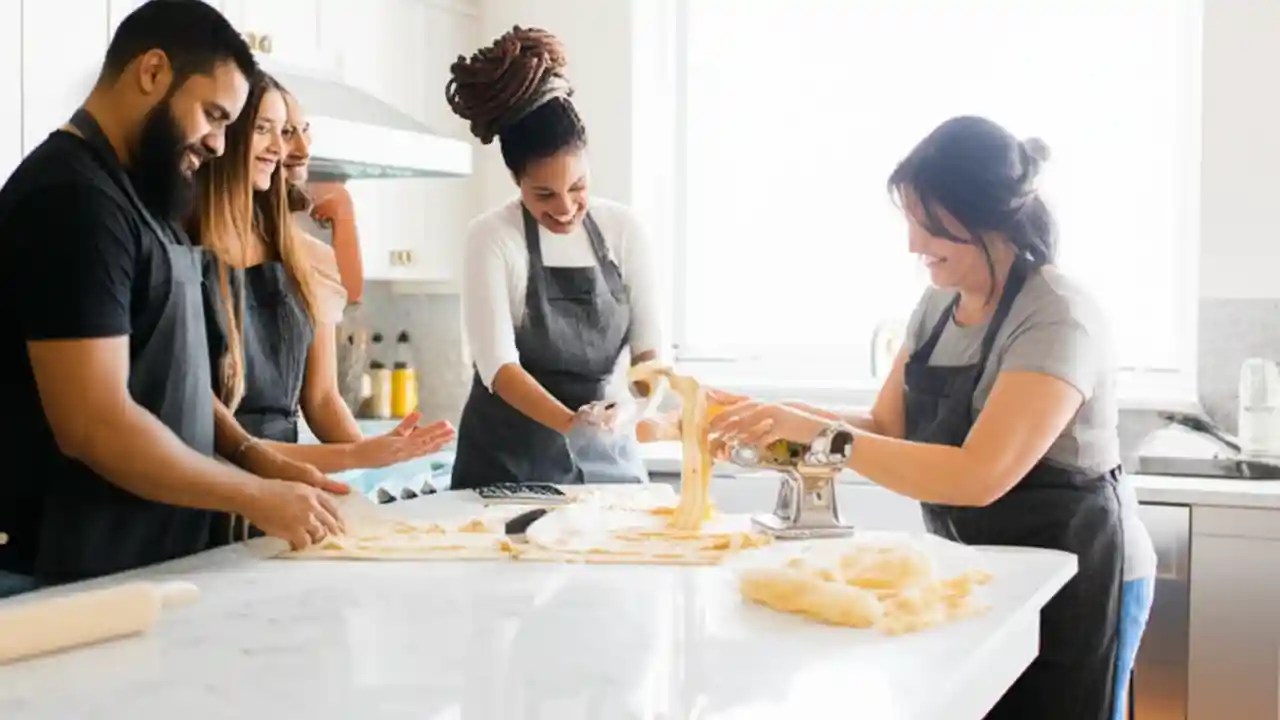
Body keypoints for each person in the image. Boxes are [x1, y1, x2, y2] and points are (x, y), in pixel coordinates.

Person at [708, 116, 1155, 720]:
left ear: (984, 217)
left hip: (1079, 577)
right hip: (986, 569)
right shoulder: (939, 301)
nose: (913, 245)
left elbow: (979, 476)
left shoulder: (1057, 315)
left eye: (928, 223)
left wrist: (814, 433)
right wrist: (764, 423)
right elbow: (886, 426)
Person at [0, 0, 345, 597]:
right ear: (152, 72)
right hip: (66, 579)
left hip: (143, 565)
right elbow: (94, 422)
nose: (218, 144)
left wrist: (251, 453)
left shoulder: (139, 197)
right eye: (213, 115)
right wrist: (253, 494)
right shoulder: (73, 199)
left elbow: (167, 378)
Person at [193, 73, 455, 476]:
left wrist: (376, 458)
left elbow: (321, 398)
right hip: (209, 483)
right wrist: (356, 456)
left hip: (285, 486)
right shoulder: (181, 251)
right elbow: (198, 433)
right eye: (267, 129)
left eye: (290, 131)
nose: (284, 148)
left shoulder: (302, 257)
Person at [445, 27, 664, 488]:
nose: (564, 208)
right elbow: (499, 368)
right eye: (543, 193)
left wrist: (631, 409)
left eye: (578, 187)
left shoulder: (625, 230)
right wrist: (572, 425)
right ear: (514, 178)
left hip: (608, 458)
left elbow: (650, 356)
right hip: (505, 467)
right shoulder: (491, 237)